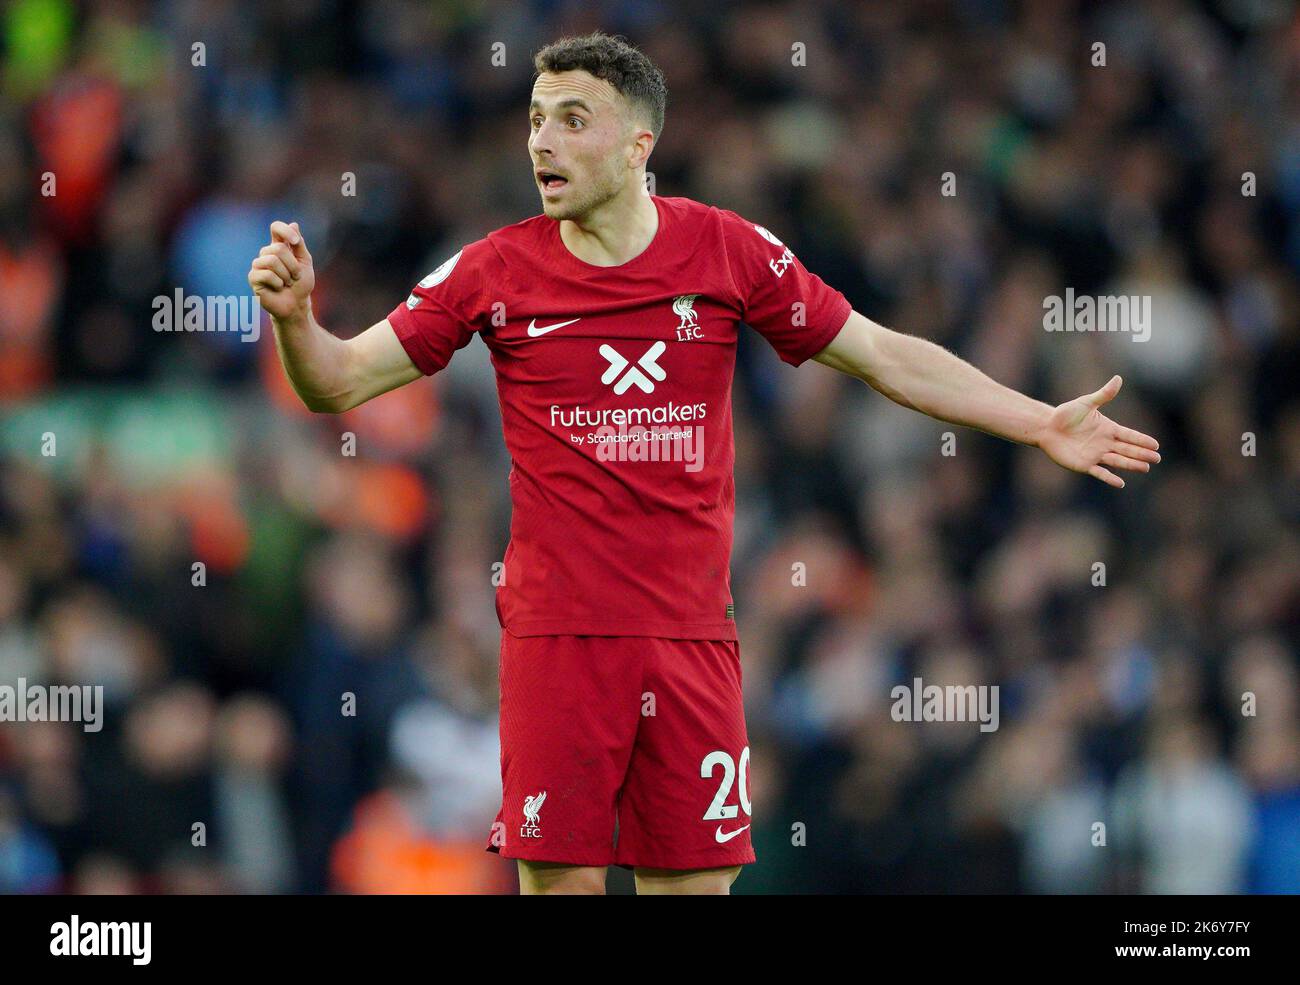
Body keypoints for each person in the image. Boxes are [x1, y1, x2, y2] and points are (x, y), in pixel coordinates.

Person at [248, 32, 1160, 895]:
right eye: (534, 118)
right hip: (558, 642)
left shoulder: (728, 250)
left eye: (572, 118)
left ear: (640, 142)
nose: (543, 141)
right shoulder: (493, 271)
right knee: (560, 882)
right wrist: (296, 322)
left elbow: (883, 354)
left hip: (691, 643)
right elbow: (338, 382)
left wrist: (1038, 418)